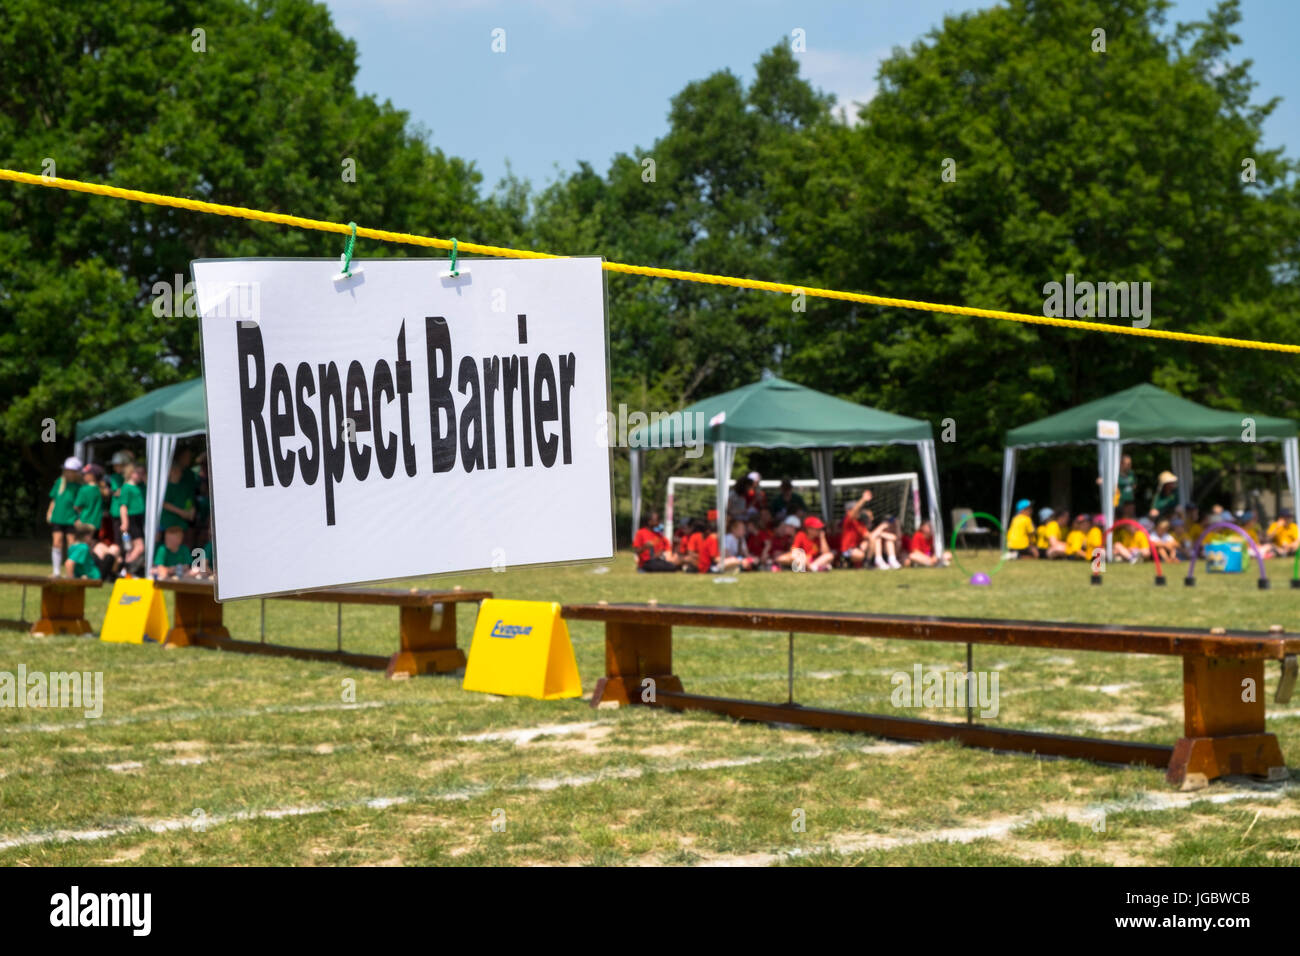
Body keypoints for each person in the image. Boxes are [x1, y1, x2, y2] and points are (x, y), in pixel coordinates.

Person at [46, 456, 83, 575]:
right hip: (58, 517)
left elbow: (80, 505)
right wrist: (49, 512)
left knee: (71, 543)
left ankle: (71, 571)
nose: (68, 473)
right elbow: (54, 499)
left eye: (71, 471)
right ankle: (56, 571)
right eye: (67, 470)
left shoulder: (80, 487)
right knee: (57, 542)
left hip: (72, 518)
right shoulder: (59, 482)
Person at [160, 447, 199, 546]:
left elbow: (190, 501)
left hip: (182, 523)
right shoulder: (165, 487)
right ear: (170, 472)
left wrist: (191, 512)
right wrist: (182, 513)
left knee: (185, 545)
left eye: (179, 471)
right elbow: (164, 503)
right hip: (169, 522)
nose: (179, 473)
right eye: (175, 471)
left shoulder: (184, 487)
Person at [118, 465, 148, 573]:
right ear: (131, 473)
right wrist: (125, 522)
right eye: (138, 473)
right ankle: (126, 568)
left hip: (139, 519)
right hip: (132, 519)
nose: (140, 475)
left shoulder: (139, 486)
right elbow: (123, 506)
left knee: (131, 548)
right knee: (139, 547)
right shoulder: (127, 487)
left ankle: (126, 570)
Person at [839, 489, 874, 568]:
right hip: (847, 550)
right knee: (860, 555)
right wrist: (863, 499)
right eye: (858, 510)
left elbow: (868, 536)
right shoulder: (847, 520)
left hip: (856, 548)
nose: (859, 512)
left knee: (873, 539)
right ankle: (845, 561)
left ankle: (868, 563)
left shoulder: (860, 523)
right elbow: (855, 510)